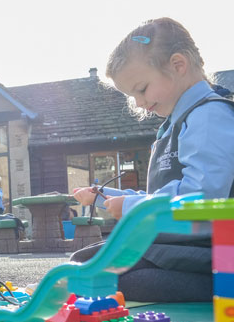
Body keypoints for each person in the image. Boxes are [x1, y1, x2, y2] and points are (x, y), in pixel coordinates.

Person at [72, 17, 234, 302]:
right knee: (82, 263)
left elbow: (204, 199)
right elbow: (160, 198)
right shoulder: (177, 122)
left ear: (178, 65)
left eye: (142, 89)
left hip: (215, 254)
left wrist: (133, 206)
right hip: (182, 248)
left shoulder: (208, 116)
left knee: (109, 277)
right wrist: (104, 196)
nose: (138, 103)